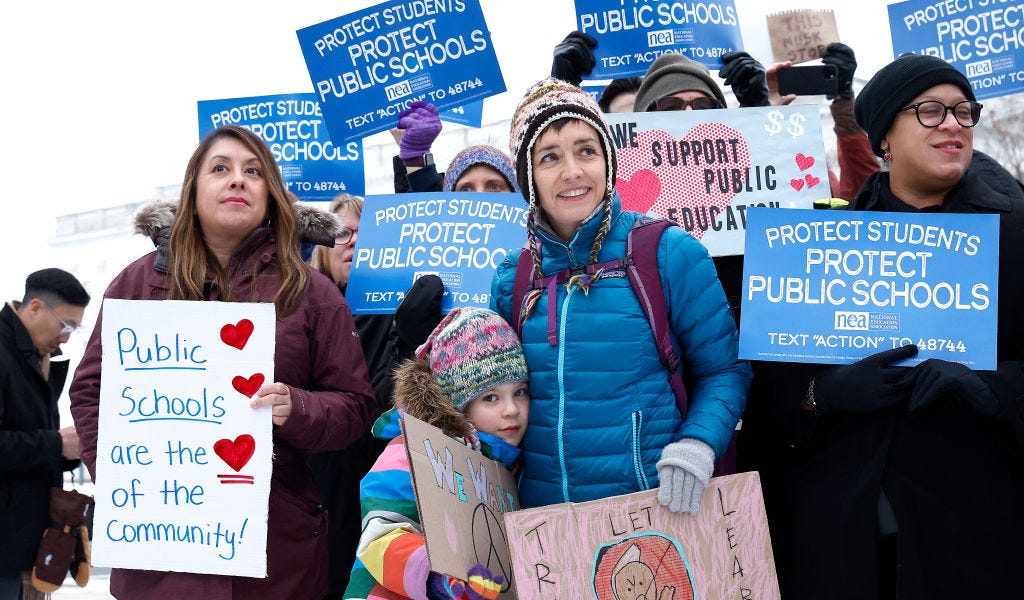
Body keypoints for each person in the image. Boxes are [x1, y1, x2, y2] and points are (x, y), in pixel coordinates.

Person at [741, 53, 1024, 599]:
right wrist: (823, 393)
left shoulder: (1013, 238)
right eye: (930, 110)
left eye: (964, 111)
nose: (952, 124)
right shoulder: (823, 241)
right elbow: (772, 396)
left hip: (977, 543)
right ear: (884, 137)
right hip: (850, 547)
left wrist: (991, 389)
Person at [68, 125, 378, 599]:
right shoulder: (134, 284)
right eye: (221, 169)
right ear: (192, 192)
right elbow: (91, 391)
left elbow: (356, 406)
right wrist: (122, 477)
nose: (238, 180)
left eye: (253, 171)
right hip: (161, 550)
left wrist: (298, 407)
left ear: (270, 194)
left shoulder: (311, 293)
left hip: (277, 555)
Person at [490, 79, 750, 513]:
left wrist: (698, 443)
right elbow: (492, 399)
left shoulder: (667, 252)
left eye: (586, 150)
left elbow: (725, 371)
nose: (572, 171)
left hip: (657, 512)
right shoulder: (512, 279)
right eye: (549, 157)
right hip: (546, 531)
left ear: (608, 162)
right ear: (528, 177)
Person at [307, 193, 444, 599]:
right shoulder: (300, 313)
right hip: (320, 503)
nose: (352, 242)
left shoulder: (402, 314)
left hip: (383, 503)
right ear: (320, 251)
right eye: (341, 233)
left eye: (366, 236)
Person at [344, 307, 526, 600]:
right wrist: (435, 577)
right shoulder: (409, 452)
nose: (512, 409)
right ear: (460, 405)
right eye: (491, 397)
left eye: (520, 392)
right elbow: (379, 538)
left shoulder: (507, 464)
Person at [1, 268, 89, 600]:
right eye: (65, 325)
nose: (66, 337)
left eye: (75, 329)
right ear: (35, 307)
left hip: (28, 542)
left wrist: (67, 451)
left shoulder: (38, 357)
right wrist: (56, 444)